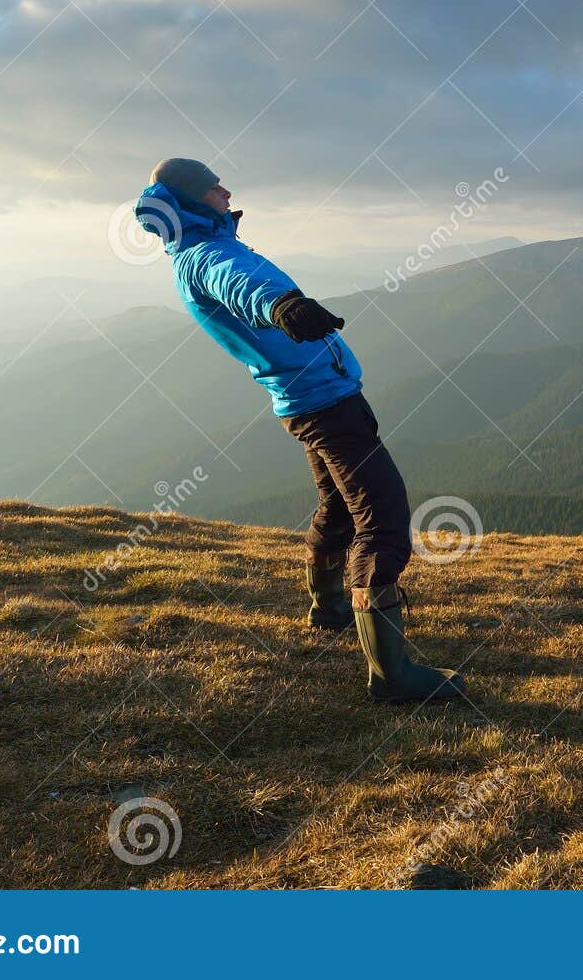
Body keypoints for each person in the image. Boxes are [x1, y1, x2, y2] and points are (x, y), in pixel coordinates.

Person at [132, 158, 463, 705]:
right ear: (193, 198)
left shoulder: (198, 247)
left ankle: (328, 608)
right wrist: (280, 304)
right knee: (382, 516)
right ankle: (393, 673)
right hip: (323, 402)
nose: (226, 191)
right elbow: (237, 283)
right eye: (215, 186)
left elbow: (236, 276)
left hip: (307, 398)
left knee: (337, 507)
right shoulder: (204, 254)